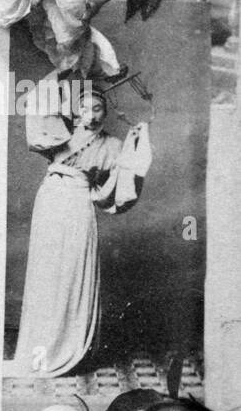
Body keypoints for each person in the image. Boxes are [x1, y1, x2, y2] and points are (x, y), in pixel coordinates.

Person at [11, 90, 151, 377]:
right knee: (47, 272)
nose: (91, 114)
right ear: (75, 111)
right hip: (50, 200)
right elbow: (37, 119)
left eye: (98, 108)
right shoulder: (58, 134)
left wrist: (137, 139)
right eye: (85, 108)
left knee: (72, 271)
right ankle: (41, 345)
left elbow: (124, 175)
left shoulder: (112, 144)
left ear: (106, 112)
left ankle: (68, 345)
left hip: (77, 203)